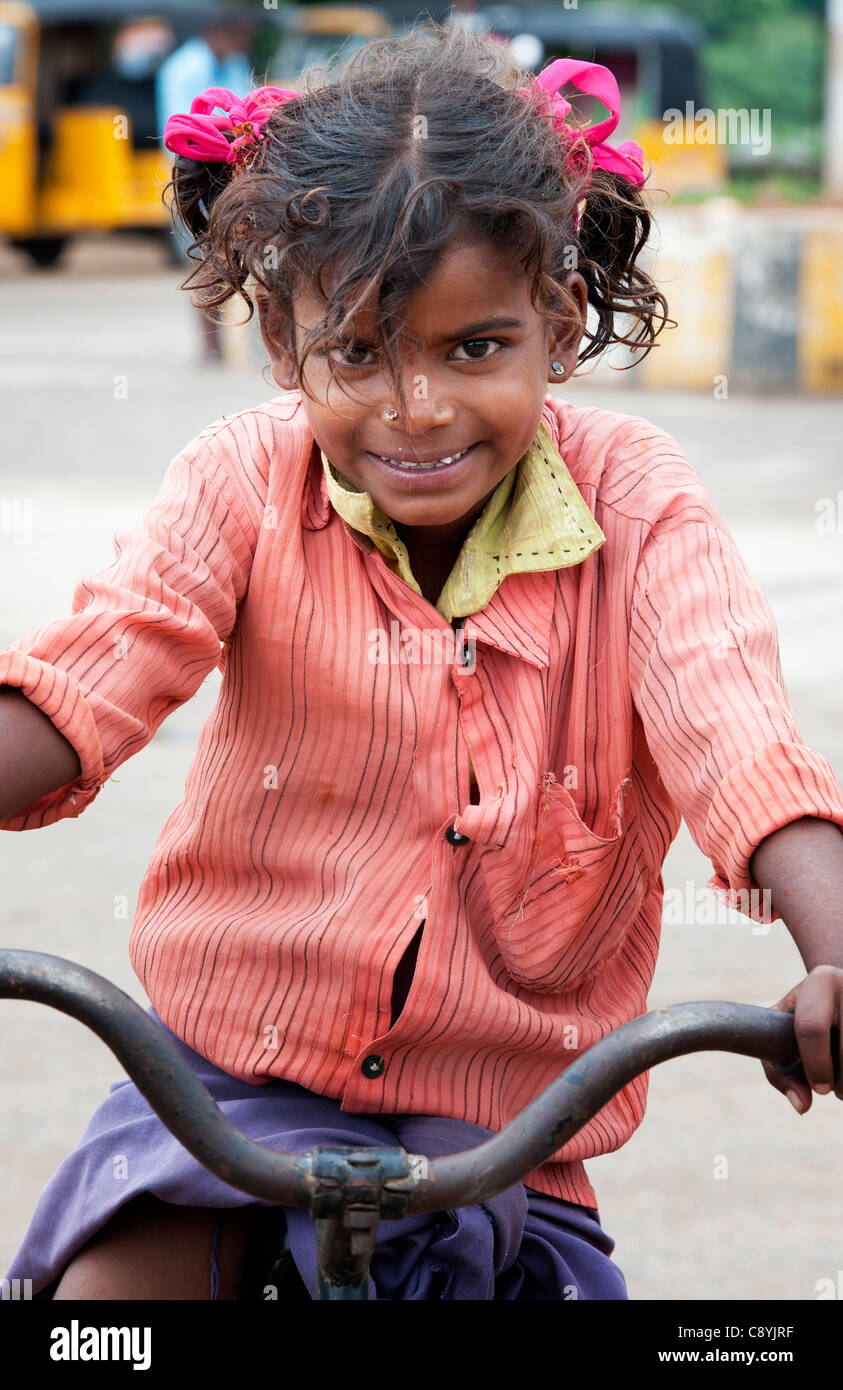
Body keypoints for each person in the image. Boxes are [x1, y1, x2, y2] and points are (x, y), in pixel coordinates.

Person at [2, 19, 843, 1302]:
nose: (416, 408)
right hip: (224, 1096)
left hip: (504, 1139)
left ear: (558, 326)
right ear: (284, 347)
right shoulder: (242, 479)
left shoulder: (644, 506)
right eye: (358, 353)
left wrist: (834, 948)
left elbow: (741, 747)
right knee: (99, 1321)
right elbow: (90, 684)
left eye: (474, 347)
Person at [155, 14, 254, 360]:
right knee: (203, 254)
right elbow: (182, 131)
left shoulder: (235, 62)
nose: (243, 45)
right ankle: (210, 345)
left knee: (248, 250)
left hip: (234, 166)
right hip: (195, 170)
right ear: (219, 33)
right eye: (239, 36)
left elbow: (247, 113)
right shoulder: (184, 68)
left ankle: (250, 345)